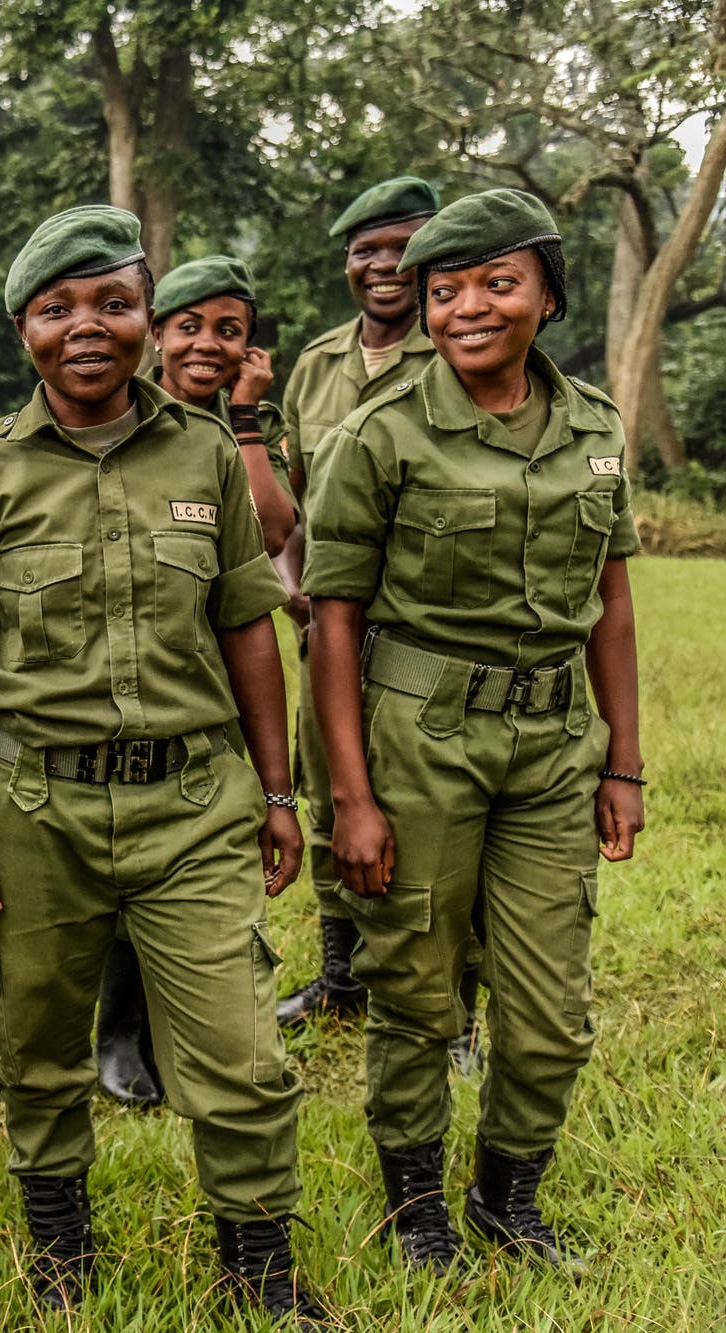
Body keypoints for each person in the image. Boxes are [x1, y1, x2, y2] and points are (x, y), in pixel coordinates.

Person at [0, 205, 327, 1323]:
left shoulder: (206, 451)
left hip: (193, 801)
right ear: (23, 331)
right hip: (31, 806)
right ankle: (60, 1258)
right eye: (56, 309)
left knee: (241, 1054)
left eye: (113, 302)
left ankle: (259, 1270)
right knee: (36, 1046)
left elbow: (247, 628)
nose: (86, 327)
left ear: (148, 316)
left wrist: (277, 790)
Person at [303, 188, 644, 1276]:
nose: (466, 309)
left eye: (498, 284)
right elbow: (332, 621)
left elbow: (613, 599)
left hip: (552, 746)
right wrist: (350, 798)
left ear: (547, 296)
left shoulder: (595, 427)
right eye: (444, 291)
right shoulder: (379, 433)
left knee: (550, 1010)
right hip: (420, 741)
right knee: (413, 988)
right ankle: (416, 1213)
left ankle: (507, 1199)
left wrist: (625, 764)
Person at [91, 254, 301, 1109]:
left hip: (222, 665)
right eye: (189, 326)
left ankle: (196, 1026)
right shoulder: (118, 412)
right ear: (155, 334)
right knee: (129, 855)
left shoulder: (247, 425)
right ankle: (120, 1034)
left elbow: (275, 528)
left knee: (210, 846)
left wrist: (244, 419)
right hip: (139, 661)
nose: (208, 344)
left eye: (230, 330)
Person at [275, 177, 448, 1040]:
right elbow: (289, 502)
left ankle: (450, 1002)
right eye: (364, 251)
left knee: (435, 812)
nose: (383, 266)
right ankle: (342, 977)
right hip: (327, 632)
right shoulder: (315, 365)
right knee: (327, 798)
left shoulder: (457, 351)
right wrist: (292, 589)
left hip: (427, 635)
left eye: (402, 249)